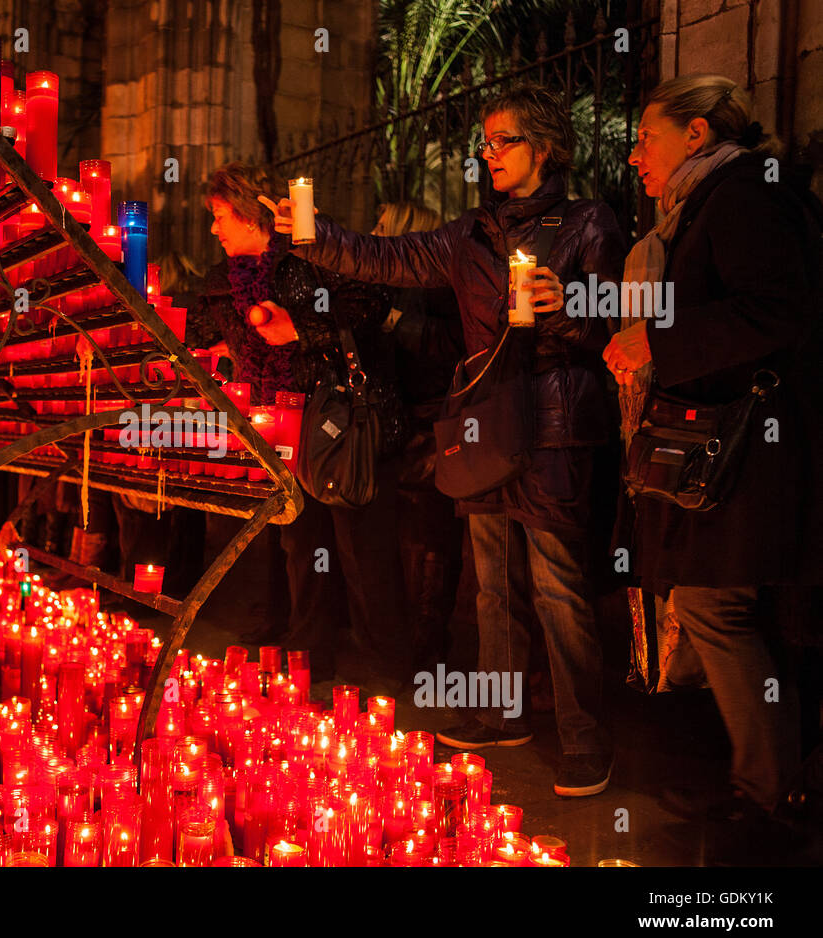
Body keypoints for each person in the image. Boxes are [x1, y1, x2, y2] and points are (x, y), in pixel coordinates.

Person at [265, 85, 626, 796]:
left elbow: (614, 326)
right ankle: (503, 711)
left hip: (554, 424)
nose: (487, 153)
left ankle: (587, 739)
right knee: (491, 583)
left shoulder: (590, 223)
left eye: (503, 140)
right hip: (486, 424)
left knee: (558, 587)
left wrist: (568, 308)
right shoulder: (470, 236)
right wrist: (315, 236)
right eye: (485, 141)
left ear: (544, 147)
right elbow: (386, 258)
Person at [602, 75, 823, 850]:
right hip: (739, 450)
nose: (634, 158)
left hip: (752, 454)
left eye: (646, 139)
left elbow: (777, 309)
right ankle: (771, 784)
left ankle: (767, 794)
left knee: (714, 606)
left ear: (696, 134)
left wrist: (656, 342)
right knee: (734, 610)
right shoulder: (715, 199)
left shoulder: (744, 197)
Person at [187, 161, 409, 686]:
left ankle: (387, 667)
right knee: (302, 545)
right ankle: (309, 656)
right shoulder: (223, 284)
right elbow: (192, 329)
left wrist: (303, 331)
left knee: (361, 546)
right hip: (280, 428)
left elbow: (374, 300)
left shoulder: (313, 251)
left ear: (246, 213)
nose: (214, 229)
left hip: (339, 425)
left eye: (219, 216)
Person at [372, 202, 469, 677]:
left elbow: (453, 345)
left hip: (435, 425)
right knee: (407, 539)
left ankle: (428, 644)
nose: (373, 233)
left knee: (433, 541)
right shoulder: (391, 285)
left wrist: (392, 323)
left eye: (382, 226)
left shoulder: (438, 285)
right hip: (402, 423)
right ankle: (408, 642)